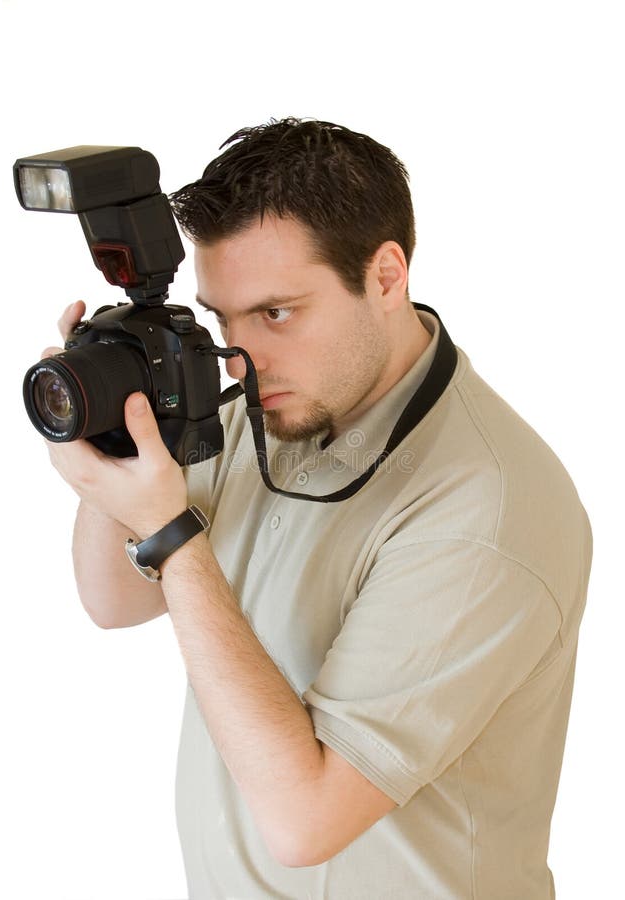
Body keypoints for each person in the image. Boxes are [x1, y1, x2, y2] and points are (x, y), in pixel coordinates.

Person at [43, 118, 592, 899]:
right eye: (221, 318)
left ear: (385, 275)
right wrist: (116, 435)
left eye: (276, 314)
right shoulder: (263, 409)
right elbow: (115, 600)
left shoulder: (485, 509)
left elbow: (306, 823)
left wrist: (175, 535)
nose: (242, 356)